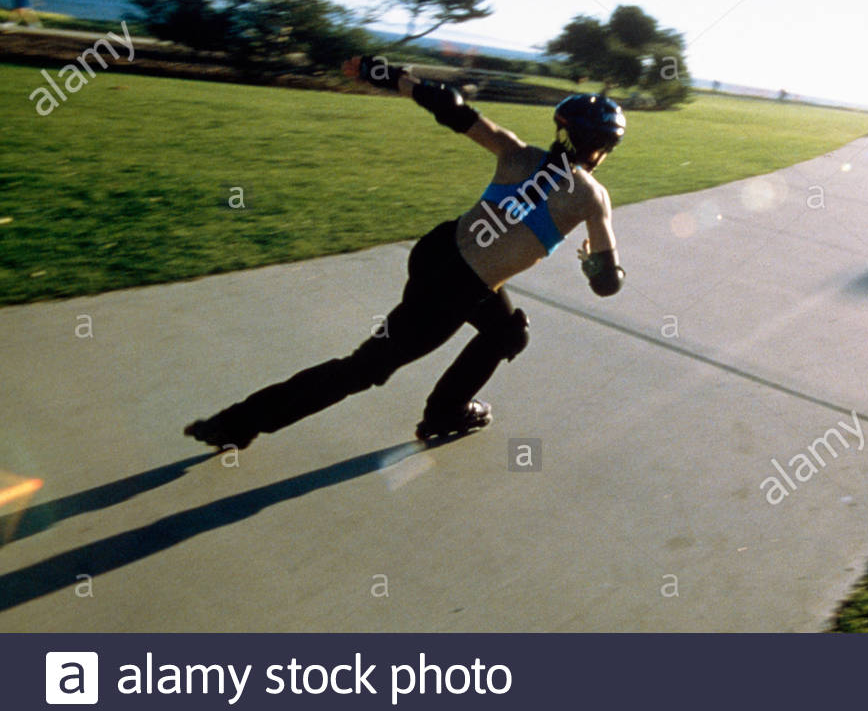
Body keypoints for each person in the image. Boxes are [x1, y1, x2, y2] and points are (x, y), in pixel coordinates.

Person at [184, 56, 627, 450]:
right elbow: (607, 284)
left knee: (509, 331)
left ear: (563, 129)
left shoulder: (516, 152)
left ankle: (446, 411)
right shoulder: (593, 197)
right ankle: (236, 423)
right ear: (602, 149)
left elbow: (450, 107)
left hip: (437, 250)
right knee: (364, 369)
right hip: (457, 289)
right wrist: (590, 258)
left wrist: (384, 73)